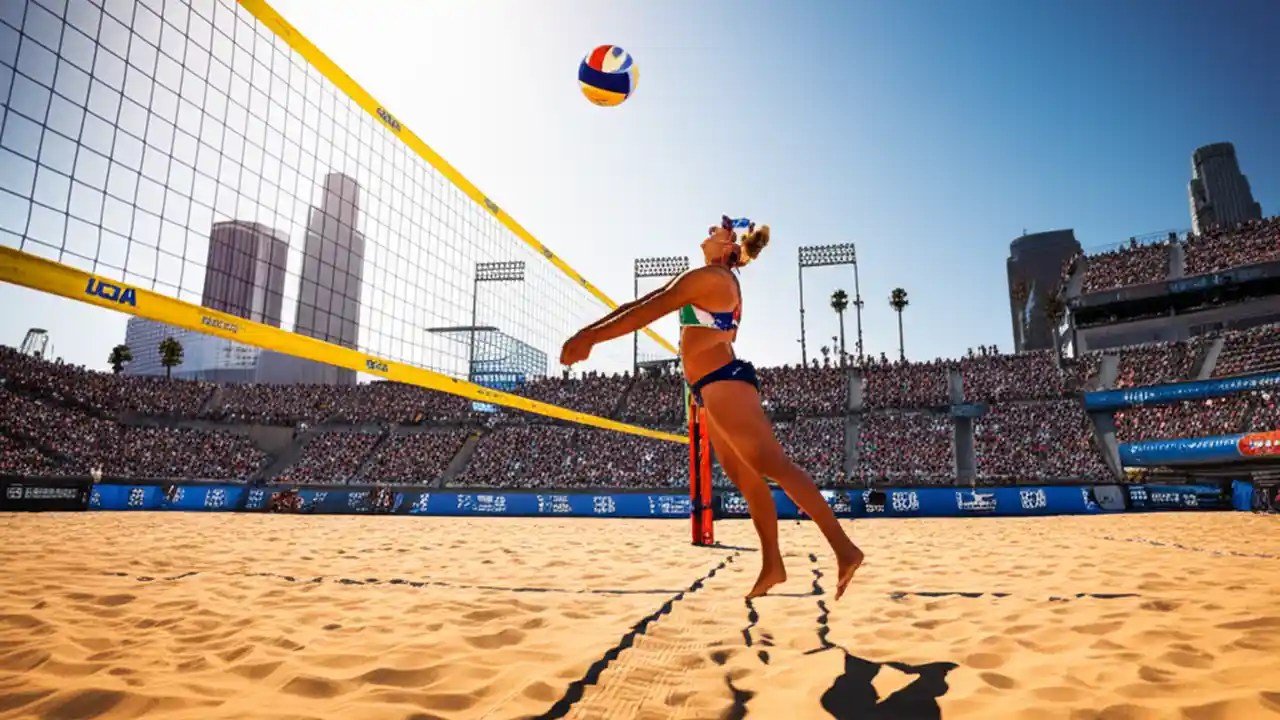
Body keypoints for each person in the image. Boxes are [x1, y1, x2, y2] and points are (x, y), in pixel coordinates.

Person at [561, 216, 864, 599]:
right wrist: (587, 334)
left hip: (724, 380)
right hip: (712, 384)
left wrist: (590, 338)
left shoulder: (714, 279)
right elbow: (638, 304)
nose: (710, 229)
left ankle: (844, 548)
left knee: (771, 464)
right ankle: (773, 564)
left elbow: (647, 311)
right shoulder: (706, 278)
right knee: (747, 478)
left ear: (729, 248)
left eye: (720, 229)